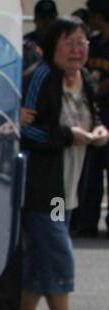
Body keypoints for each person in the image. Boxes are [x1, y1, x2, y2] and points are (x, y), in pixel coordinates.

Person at [18, 14, 108, 310]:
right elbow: (24, 129)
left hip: (69, 185)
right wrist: (69, 136)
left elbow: (93, 117)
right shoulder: (40, 77)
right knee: (59, 253)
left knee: (42, 259)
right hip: (45, 187)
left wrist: (98, 132)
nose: (77, 50)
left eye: (82, 43)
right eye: (69, 42)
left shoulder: (83, 78)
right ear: (52, 45)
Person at [71, 0, 109, 235]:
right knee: (90, 174)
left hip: (105, 116)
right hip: (91, 118)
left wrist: (95, 87)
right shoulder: (94, 44)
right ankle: (85, 222)